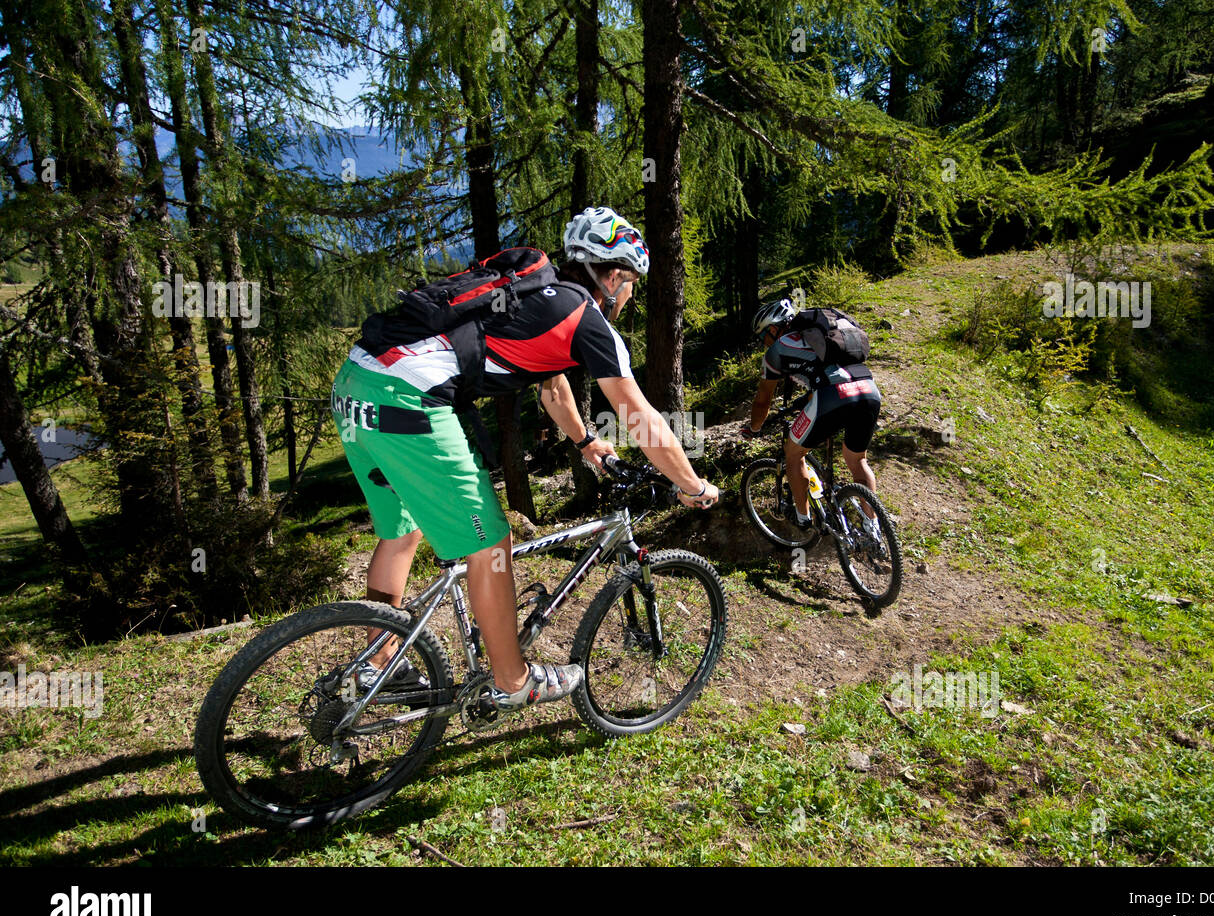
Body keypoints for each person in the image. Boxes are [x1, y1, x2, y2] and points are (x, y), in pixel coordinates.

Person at [330, 206, 719, 711]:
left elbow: (554, 386)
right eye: (630, 282)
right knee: (490, 543)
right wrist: (693, 485)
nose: (629, 295)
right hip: (407, 400)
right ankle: (514, 682)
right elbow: (640, 417)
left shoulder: (537, 292)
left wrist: (584, 443)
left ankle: (379, 662)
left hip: (355, 388)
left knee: (400, 532)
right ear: (615, 274)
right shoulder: (588, 319)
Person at [739, 297, 883, 531]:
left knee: (793, 454)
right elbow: (828, 372)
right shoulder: (819, 338)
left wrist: (755, 428)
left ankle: (803, 518)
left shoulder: (777, 350)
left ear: (774, 328)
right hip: (869, 390)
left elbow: (763, 400)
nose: (764, 343)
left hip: (832, 394)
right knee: (857, 460)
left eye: (763, 336)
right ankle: (874, 527)